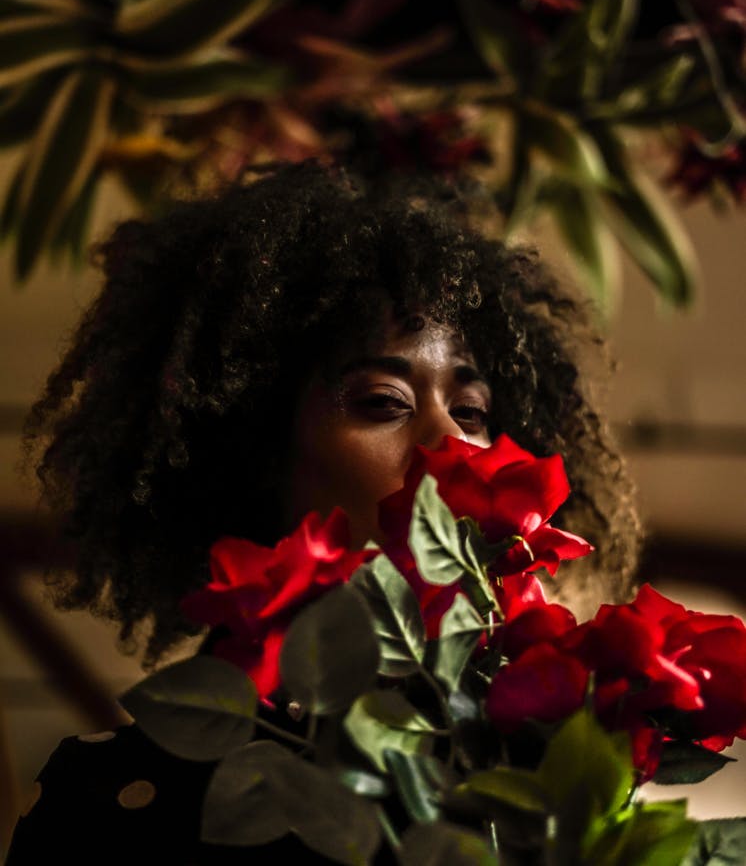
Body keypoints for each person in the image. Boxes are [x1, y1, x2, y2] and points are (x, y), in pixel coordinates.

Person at [6, 161, 641, 863]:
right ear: (254, 449)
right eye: (384, 403)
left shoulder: (550, 782)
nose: (453, 444)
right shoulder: (106, 801)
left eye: (471, 411)